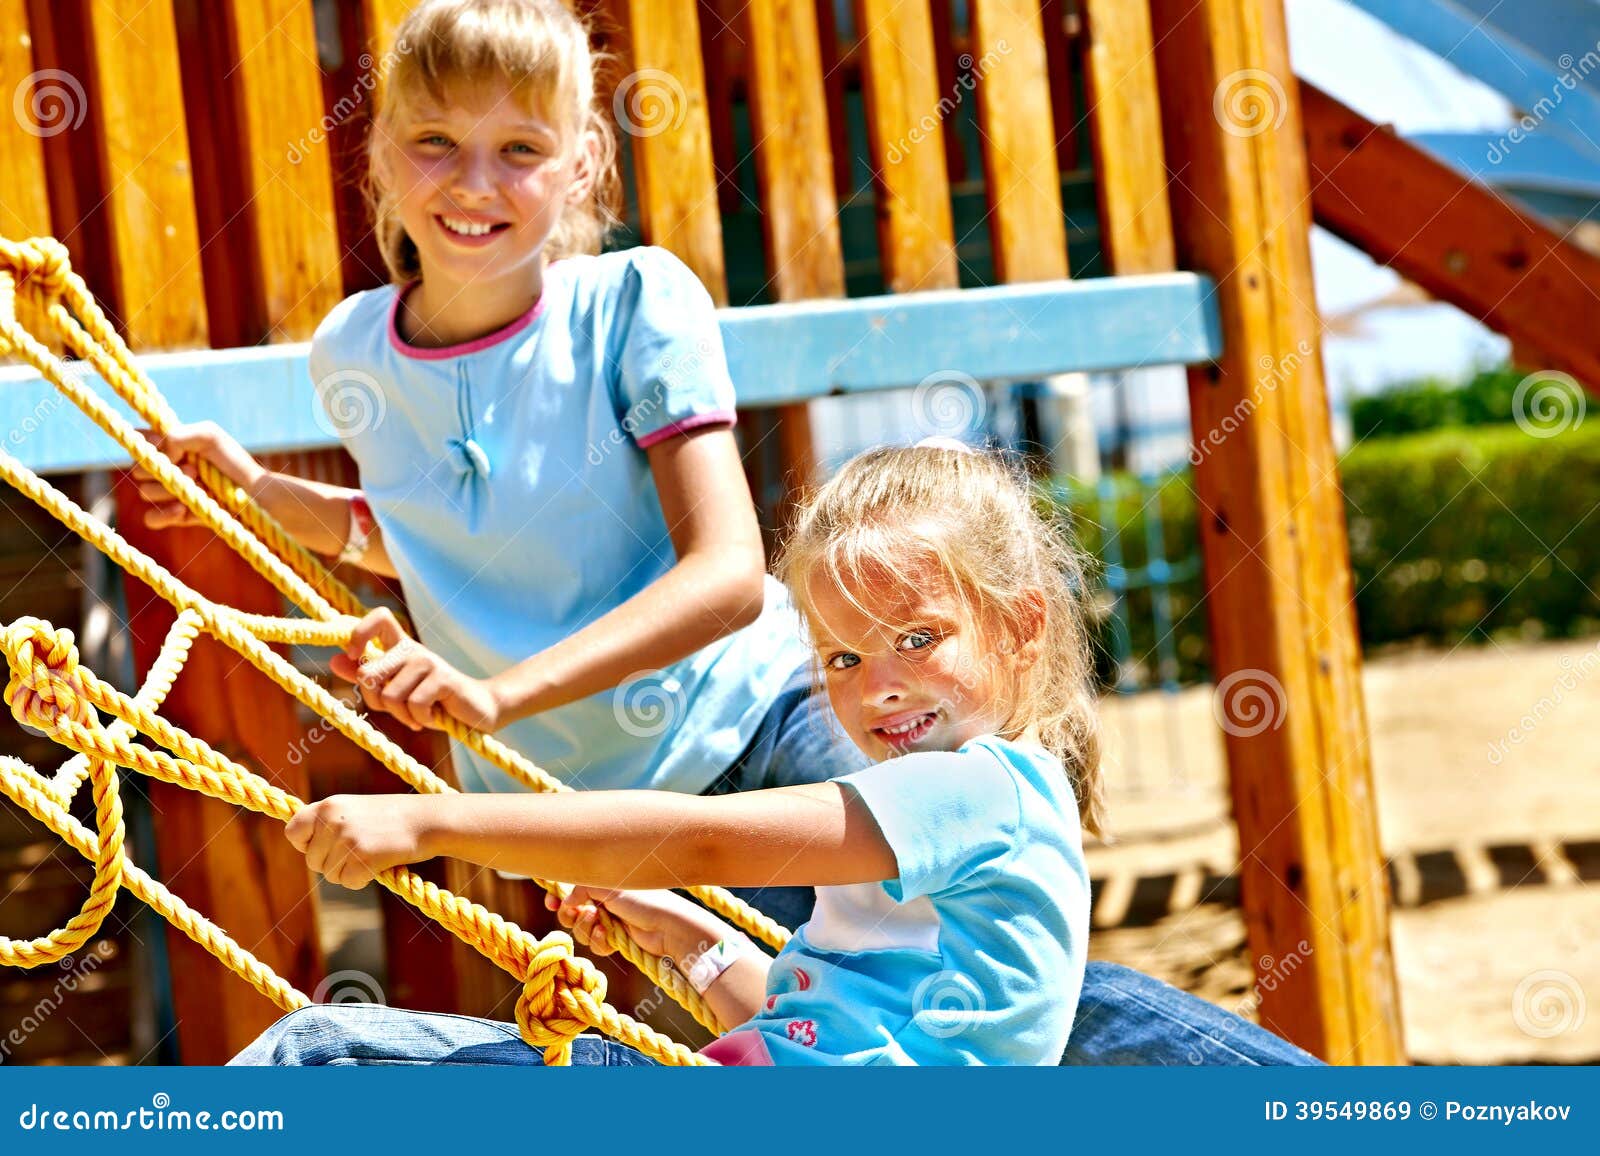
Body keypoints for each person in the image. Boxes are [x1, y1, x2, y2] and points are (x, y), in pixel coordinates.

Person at [148, 0, 1319, 1067]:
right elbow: (431, 532)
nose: (475, 182)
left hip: (754, 723)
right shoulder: (355, 354)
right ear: (377, 156)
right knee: (836, 1005)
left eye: (519, 148)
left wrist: (498, 702)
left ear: (582, 163)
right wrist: (254, 491)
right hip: (588, 794)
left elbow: (721, 575)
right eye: (434, 143)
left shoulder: (632, 305)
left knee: (968, 943)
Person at [235, 444, 1100, 1065]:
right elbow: (817, 1027)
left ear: (1023, 625)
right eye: (843, 658)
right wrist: (691, 939)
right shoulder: (961, 821)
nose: (877, 687)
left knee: (325, 1051)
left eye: (916, 638)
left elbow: (704, 841)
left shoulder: (980, 789)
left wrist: (429, 822)